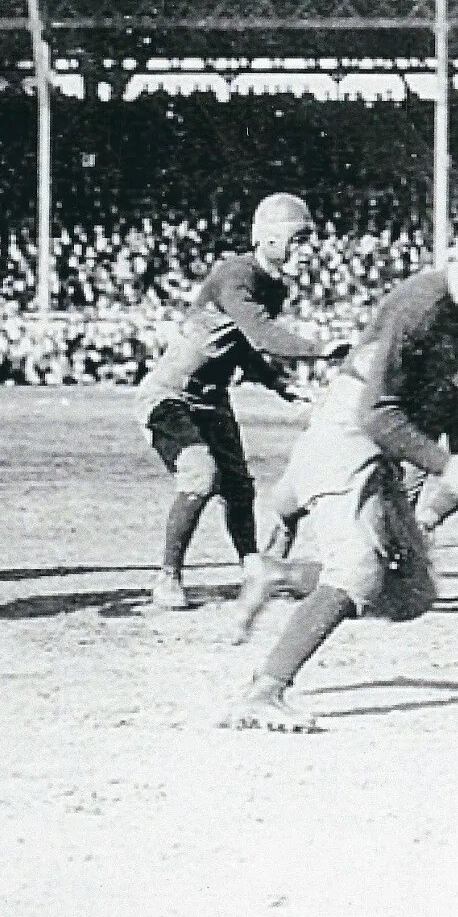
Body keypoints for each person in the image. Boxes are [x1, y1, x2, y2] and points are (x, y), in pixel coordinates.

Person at [221, 195, 458, 732]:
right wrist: (448, 467)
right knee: (358, 571)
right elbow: (375, 410)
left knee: (410, 594)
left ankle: (280, 574)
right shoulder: (420, 303)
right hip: (349, 432)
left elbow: (432, 400)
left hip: (380, 438)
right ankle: (263, 692)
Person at [137, 193, 347, 611]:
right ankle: (168, 576)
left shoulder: (273, 286)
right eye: (299, 239)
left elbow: (243, 351)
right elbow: (261, 335)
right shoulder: (235, 273)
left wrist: (281, 387)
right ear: (270, 239)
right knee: (200, 475)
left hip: (212, 399)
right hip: (170, 396)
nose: (307, 250)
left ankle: (253, 567)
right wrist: (318, 350)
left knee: (239, 487)